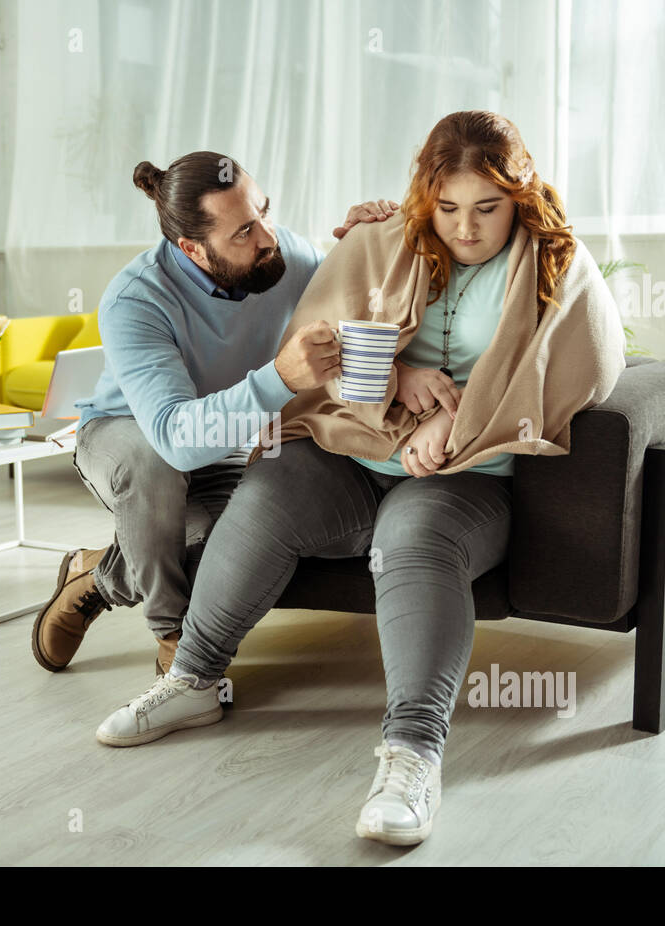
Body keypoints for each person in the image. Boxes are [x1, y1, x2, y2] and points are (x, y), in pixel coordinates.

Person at [92, 112, 627, 846]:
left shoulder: (556, 266)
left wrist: (458, 419)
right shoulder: (389, 241)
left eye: (486, 209)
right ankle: (194, 680)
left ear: (521, 197)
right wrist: (395, 380)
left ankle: (413, 755)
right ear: (425, 197)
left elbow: (586, 370)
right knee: (270, 491)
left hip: (466, 475)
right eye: (446, 208)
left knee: (414, 537)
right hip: (356, 450)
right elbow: (334, 335)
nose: (464, 229)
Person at [31, 148, 399, 675]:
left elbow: (356, 306)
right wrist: (282, 378)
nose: (268, 237)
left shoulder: (284, 257)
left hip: (223, 443)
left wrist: (366, 243)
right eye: (243, 232)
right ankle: (172, 635)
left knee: (253, 540)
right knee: (152, 466)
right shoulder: (136, 299)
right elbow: (174, 439)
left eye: (264, 212)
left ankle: (97, 576)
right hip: (128, 433)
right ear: (192, 248)